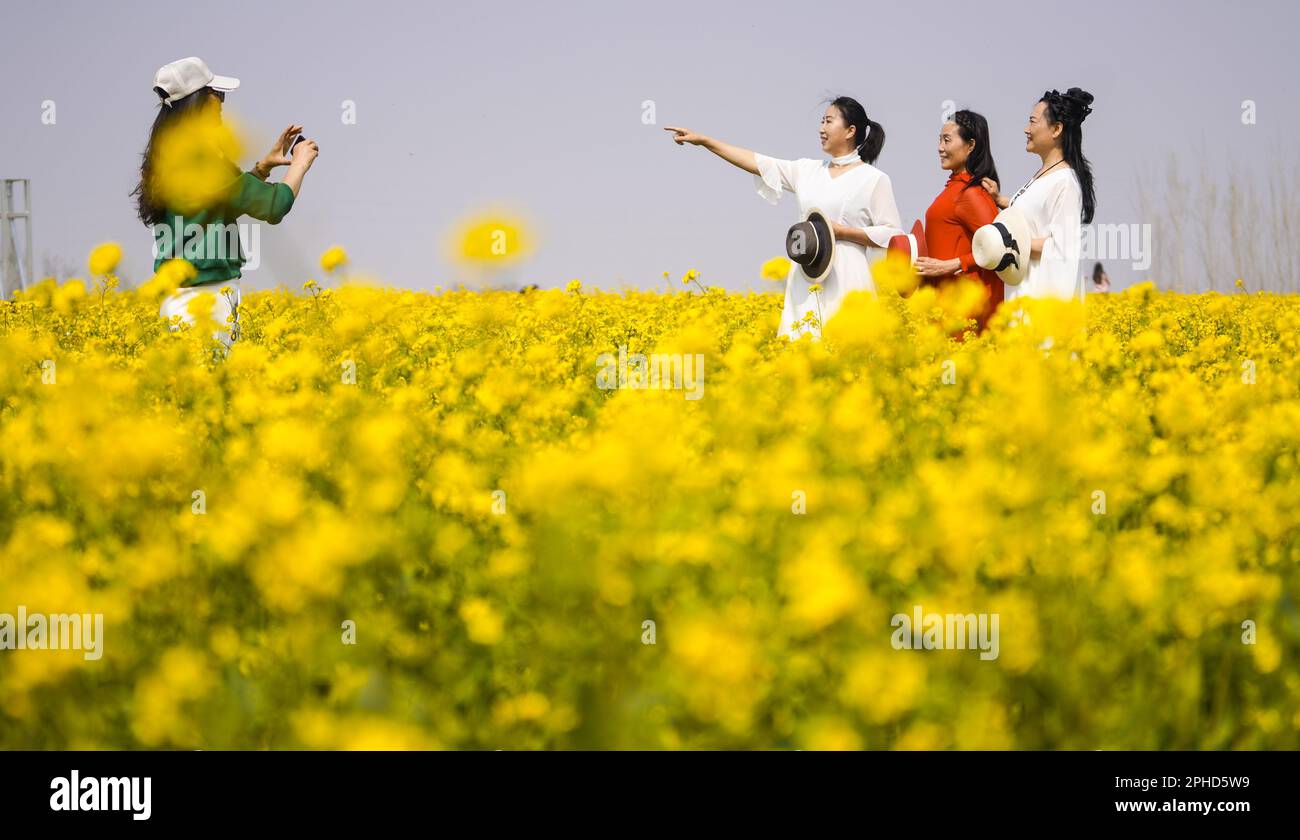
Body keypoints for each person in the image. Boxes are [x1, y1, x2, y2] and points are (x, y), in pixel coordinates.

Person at [665, 96, 903, 339]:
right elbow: (756, 162)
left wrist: (843, 232)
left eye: (828, 121)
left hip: (849, 278)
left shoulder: (873, 179)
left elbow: (892, 233)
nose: (821, 128)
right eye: (821, 121)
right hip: (807, 274)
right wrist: (706, 141)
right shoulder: (807, 171)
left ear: (850, 130)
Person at [133, 56, 319, 346]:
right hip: (206, 302)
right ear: (197, 101)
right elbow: (274, 206)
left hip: (177, 302)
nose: (221, 103)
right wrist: (300, 165)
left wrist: (263, 167)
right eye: (216, 94)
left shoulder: (170, 156)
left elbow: (219, 202)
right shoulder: (203, 158)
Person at [982, 88, 1096, 303]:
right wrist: (1001, 200)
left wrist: (1007, 242)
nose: (1026, 129)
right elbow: (1034, 215)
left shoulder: (1066, 182)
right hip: (1021, 294)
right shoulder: (1043, 176)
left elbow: (1063, 247)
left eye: (1033, 122)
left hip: (1040, 302)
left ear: (1056, 129)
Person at [913, 109, 1002, 330]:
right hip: (943, 302)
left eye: (947, 140)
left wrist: (950, 265)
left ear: (970, 146)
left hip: (962, 308)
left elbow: (999, 247)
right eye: (939, 140)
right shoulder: (955, 189)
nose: (940, 148)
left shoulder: (970, 193)